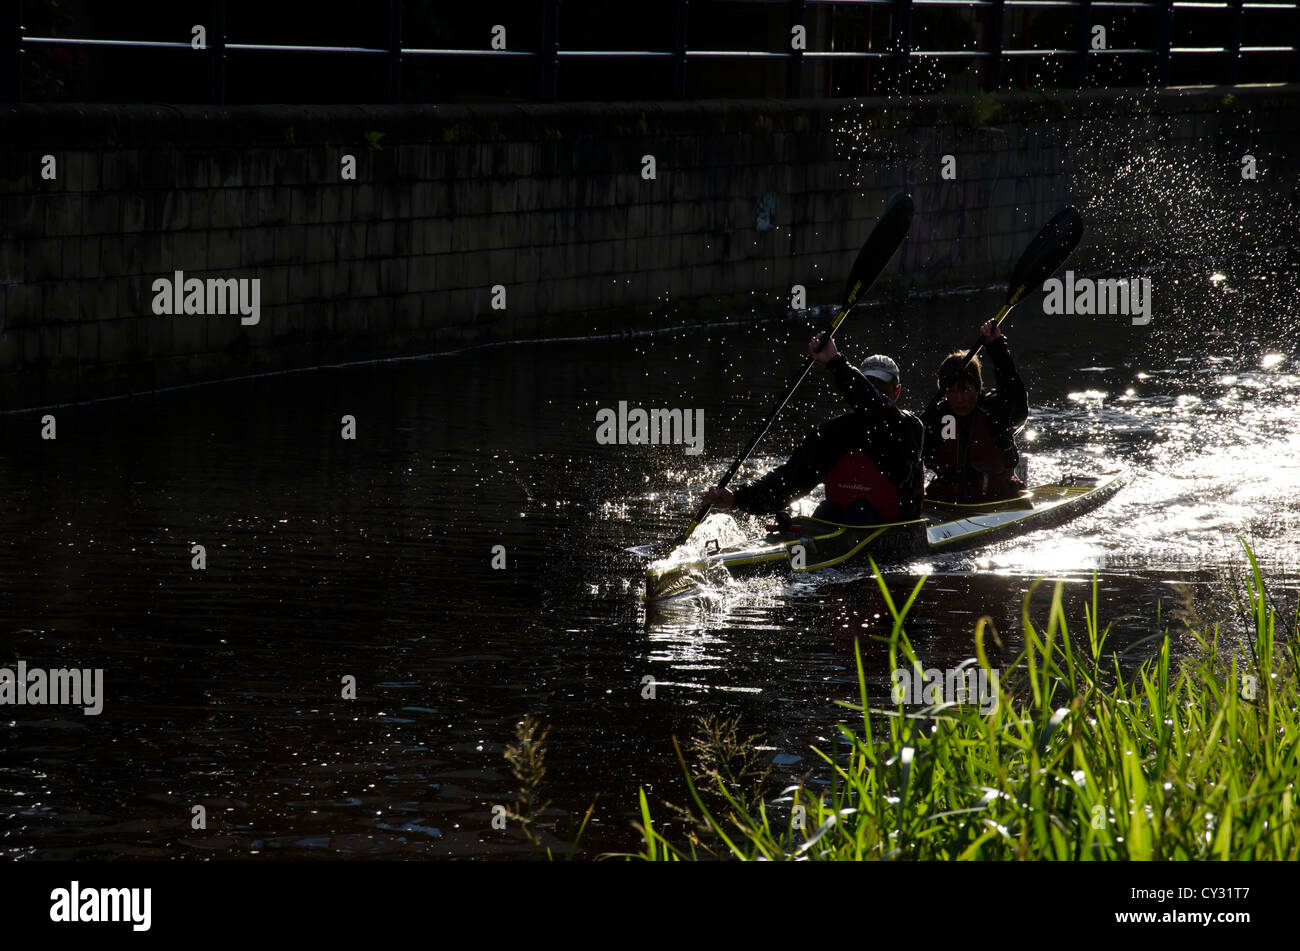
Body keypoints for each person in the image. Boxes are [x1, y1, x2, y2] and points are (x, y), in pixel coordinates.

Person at [700, 335, 924, 525]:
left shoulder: (908, 428)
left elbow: (874, 406)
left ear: (896, 393)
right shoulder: (834, 433)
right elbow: (788, 481)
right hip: (840, 523)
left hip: (893, 525)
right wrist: (737, 498)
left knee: (860, 510)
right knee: (827, 511)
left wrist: (836, 363)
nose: (873, 394)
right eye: (869, 385)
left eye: (881, 390)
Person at [922, 320, 1029, 503]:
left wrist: (997, 348)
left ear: (978, 389)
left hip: (996, 501)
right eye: (952, 391)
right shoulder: (935, 418)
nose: (959, 399)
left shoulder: (994, 411)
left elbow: (1014, 396)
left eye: (965, 390)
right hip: (944, 502)